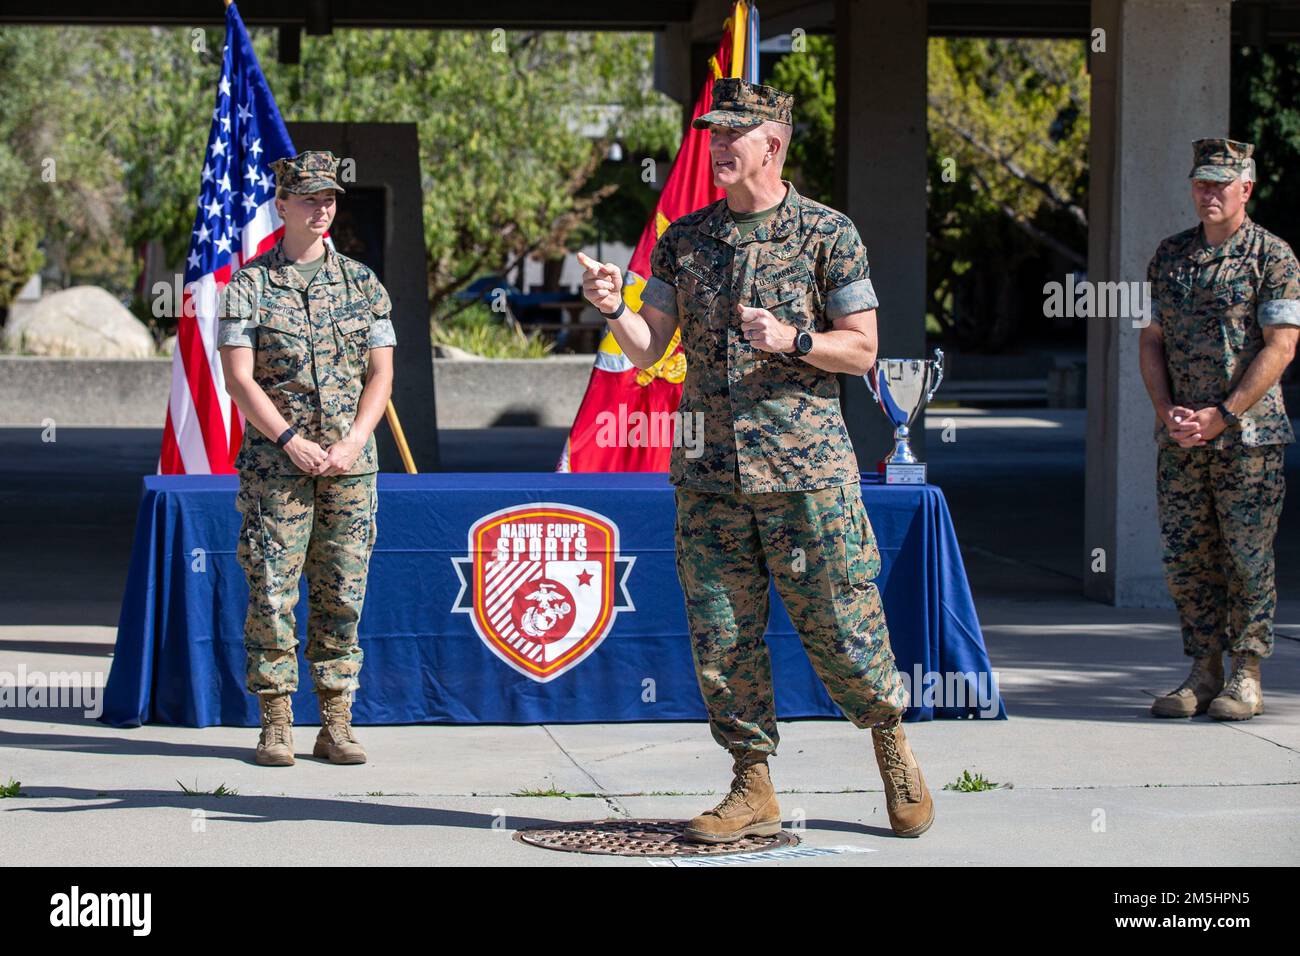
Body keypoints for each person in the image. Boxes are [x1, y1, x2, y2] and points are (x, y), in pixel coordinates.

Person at [577, 78, 933, 842]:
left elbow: (864, 347)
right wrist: (613, 307)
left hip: (805, 471)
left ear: (771, 143)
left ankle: (890, 745)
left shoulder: (828, 234)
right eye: (711, 134)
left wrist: (795, 340)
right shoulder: (687, 237)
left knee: (843, 623)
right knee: (721, 631)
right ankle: (751, 782)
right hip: (709, 473)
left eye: (731, 134)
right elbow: (650, 349)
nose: (715, 147)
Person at [217, 150, 396, 765]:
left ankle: (337, 721)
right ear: (282, 205)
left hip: (351, 465)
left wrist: (351, 442)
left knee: (343, 591)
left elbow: (381, 376)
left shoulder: (363, 283)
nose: (323, 208)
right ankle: (275, 721)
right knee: (271, 590)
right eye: (310, 198)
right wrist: (290, 439)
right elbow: (240, 379)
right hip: (278, 467)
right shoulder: (249, 285)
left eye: (331, 198)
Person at [1141, 138, 1299, 721]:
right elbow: (1151, 337)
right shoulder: (1170, 255)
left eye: (1220, 184)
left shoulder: (1272, 257)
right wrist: (1167, 412)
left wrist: (1224, 413)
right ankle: (1202, 673)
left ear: (1246, 189)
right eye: (1201, 182)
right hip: (1182, 440)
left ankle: (1247, 675)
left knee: (1246, 557)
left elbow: (1282, 346)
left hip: (1247, 440)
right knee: (1188, 557)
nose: (1208, 193)